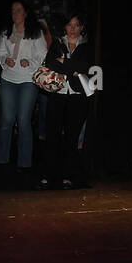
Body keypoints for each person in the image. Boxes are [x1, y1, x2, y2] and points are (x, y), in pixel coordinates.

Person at [38, 14, 93, 190]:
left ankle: (68, 176)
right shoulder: (57, 43)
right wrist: (73, 66)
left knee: (71, 138)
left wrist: (65, 62)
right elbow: (50, 64)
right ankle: (48, 175)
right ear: (65, 27)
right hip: (57, 93)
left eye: (76, 25)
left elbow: (86, 67)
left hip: (78, 96)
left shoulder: (87, 46)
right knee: (52, 136)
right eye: (69, 25)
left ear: (82, 27)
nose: (72, 28)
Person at [0, 0, 47, 172]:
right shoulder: (6, 31)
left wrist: (29, 62)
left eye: (18, 10)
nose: (15, 13)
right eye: (13, 10)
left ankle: (24, 162)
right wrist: (4, 60)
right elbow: (0, 53)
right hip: (8, 79)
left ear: (25, 13)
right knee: (7, 119)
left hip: (27, 80)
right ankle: (1, 159)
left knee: (24, 120)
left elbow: (42, 54)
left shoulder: (35, 31)